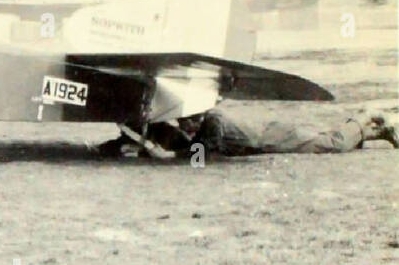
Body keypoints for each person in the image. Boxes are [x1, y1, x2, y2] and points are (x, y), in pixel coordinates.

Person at [100, 107, 397, 158]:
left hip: (275, 137)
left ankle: (364, 118)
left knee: (332, 145)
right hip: (272, 133)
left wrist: (156, 153)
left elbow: (198, 159)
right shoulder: (207, 123)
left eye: (190, 123)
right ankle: (380, 133)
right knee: (323, 140)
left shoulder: (211, 125)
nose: (187, 128)